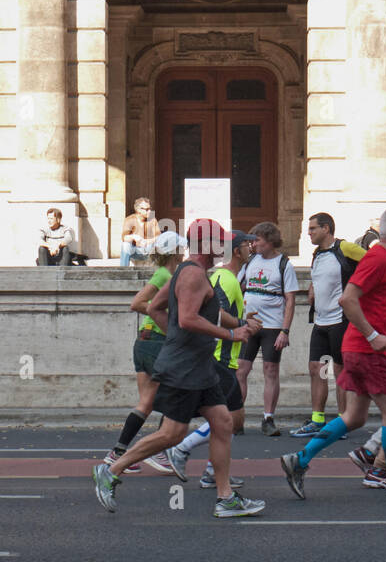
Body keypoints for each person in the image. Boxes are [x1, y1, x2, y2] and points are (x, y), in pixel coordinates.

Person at [92, 219, 265, 518]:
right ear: (206, 244)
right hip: (185, 368)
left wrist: (183, 336)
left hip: (198, 365)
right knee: (173, 433)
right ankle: (111, 470)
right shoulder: (195, 275)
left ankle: (225, 498)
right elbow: (186, 319)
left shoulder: (185, 271)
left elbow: (156, 308)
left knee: (223, 422)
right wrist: (230, 335)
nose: (224, 245)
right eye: (219, 240)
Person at [278, 205, 386, 504]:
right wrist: (374, 336)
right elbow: (348, 299)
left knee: (355, 416)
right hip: (366, 349)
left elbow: (376, 305)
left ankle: (300, 458)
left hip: (359, 347)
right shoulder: (378, 259)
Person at [166, 230, 261, 487]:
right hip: (218, 358)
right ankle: (181, 449)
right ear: (236, 249)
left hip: (221, 358)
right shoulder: (224, 279)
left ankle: (210, 470)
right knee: (230, 419)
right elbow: (210, 314)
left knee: (225, 421)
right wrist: (234, 330)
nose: (251, 249)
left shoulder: (228, 277)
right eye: (247, 244)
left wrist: (243, 321)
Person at [103, 231, 186, 474]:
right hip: (156, 344)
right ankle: (159, 450)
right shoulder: (164, 275)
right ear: (174, 253)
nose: (185, 253)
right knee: (177, 393)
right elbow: (137, 303)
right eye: (182, 249)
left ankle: (117, 452)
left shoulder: (166, 274)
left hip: (144, 342)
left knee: (147, 403)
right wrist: (168, 324)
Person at [291, 213, 363, 437]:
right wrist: (313, 287)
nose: (309, 233)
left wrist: (357, 292)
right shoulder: (317, 254)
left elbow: (374, 263)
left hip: (340, 321)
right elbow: (320, 278)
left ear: (326, 228)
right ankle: (317, 419)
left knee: (340, 371)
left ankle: (342, 422)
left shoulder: (346, 248)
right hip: (320, 321)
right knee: (317, 370)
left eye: (312, 229)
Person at [237, 221, 299, 436]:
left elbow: (290, 300)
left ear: (270, 240)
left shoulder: (284, 264)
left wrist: (285, 330)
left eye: (258, 240)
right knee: (241, 370)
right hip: (249, 323)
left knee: (270, 371)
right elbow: (239, 287)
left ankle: (268, 417)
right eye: (253, 240)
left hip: (272, 325)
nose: (254, 244)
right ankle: (237, 417)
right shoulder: (250, 261)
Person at [119, 197, 160, 267]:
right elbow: (124, 238)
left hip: (148, 250)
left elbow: (158, 237)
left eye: (150, 209)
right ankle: (123, 270)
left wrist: (147, 241)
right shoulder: (129, 219)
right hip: (135, 251)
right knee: (125, 245)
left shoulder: (153, 220)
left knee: (160, 244)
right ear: (138, 210)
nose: (149, 211)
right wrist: (134, 237)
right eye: (147, 209)